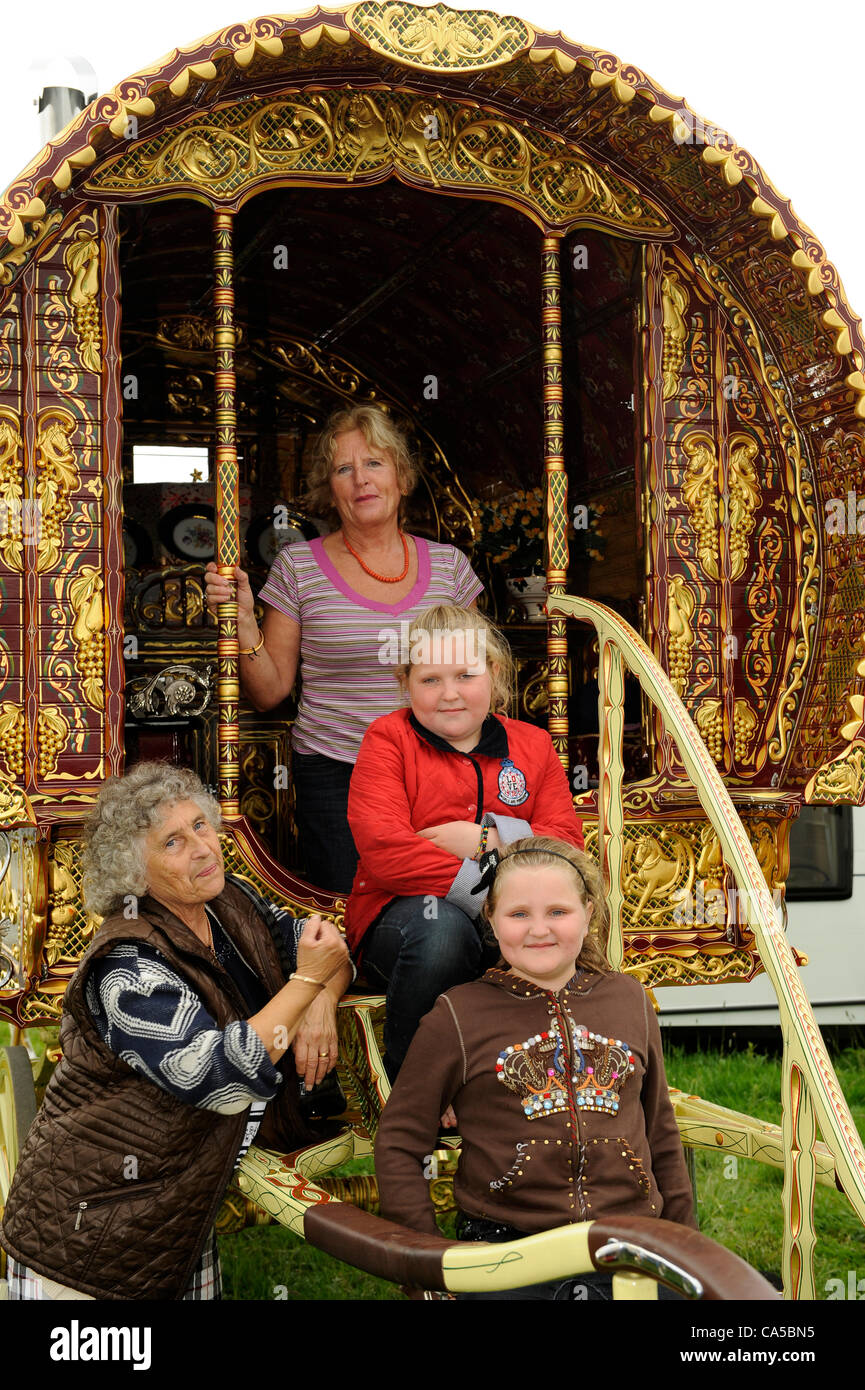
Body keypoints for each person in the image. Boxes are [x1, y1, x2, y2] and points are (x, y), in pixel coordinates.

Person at [0, 763, 351, 1300]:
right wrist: (306, 980)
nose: (203, 849)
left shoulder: (230, 903)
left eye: (201, 826)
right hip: (95, 1234)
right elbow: (222, 1082)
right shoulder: (126, 970)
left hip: (179, 1209)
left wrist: (321, 997)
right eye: (173, 841)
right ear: (133, 873)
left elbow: (328, 945)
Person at [374, 836, 697, 1300]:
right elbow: (400, 1142)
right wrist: (424, 1266)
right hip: (504, 1255)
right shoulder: (457, 1015)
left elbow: (660, 1131)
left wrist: (687, 1248)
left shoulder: (630, 1000)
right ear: (491, 918)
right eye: (519, 914)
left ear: (588, 913)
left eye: (558, 913)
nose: (539, 930)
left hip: (632, 1244)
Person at [204, 404, 482, 894]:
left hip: (439, 769)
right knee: (354, 908)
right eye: (344, 469)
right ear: (329, 489)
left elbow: (479, 685)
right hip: (338, 775)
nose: (362, 481)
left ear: (402, 475)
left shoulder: (450, 569)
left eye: (375, 463)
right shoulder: (298, 568)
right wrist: (243, 621)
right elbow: (269, 692)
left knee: (446, 905)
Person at [345, 605, 584, 1079]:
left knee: (552, 933)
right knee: (444, 933)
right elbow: (386, 849)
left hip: (515, 911)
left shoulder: (532, 744)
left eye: (465, 676)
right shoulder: (387, 739)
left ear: (493, 674)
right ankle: (418, 1083)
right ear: (406, 682)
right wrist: (496, 885)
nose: (449, 694)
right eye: (430, 680)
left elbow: (566, 847)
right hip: (402, 916)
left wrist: (483, 839)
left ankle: (542, 1079)